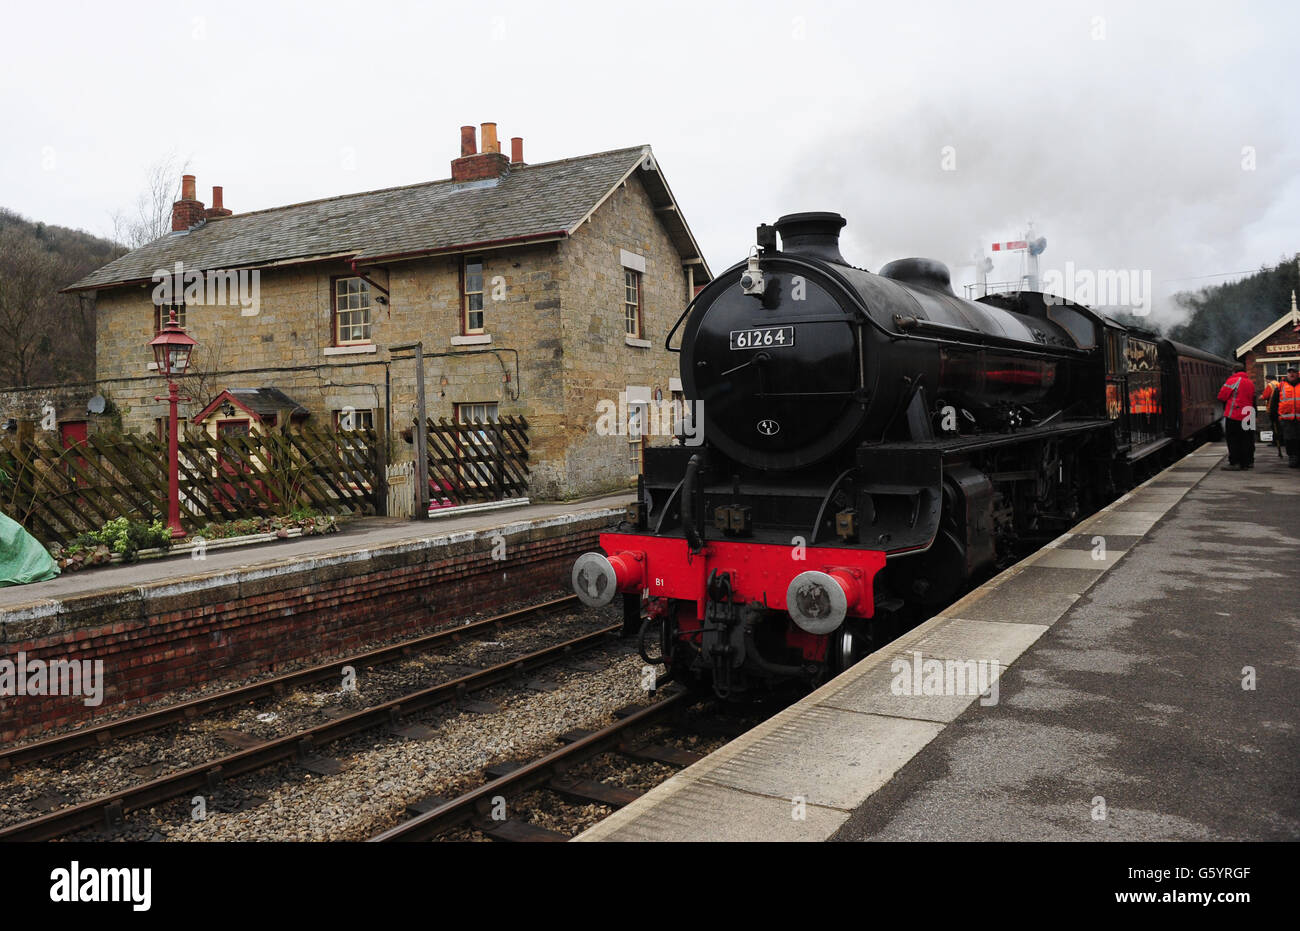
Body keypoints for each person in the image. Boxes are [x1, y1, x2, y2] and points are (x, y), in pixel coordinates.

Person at [1217, 366, 1257, 470]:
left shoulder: (1233, 380)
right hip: (1249, 414)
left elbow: (1221, 396)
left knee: (1234, 439)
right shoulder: (1250, 382)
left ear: (1234, 371)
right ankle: (1248, 462)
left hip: (1235, 414)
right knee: (1248, 439)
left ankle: (1235, 462)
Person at [1273, 365, 1300, 468]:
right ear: (1287, 374)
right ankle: (1293, 457)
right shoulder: (1280, 387)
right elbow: (1275, 403)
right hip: (1286, 419)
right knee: (1290, 439)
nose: (1291, 374)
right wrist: (1273, 416)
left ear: (1297, 374)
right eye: (1290, 372)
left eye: (1294, 372)